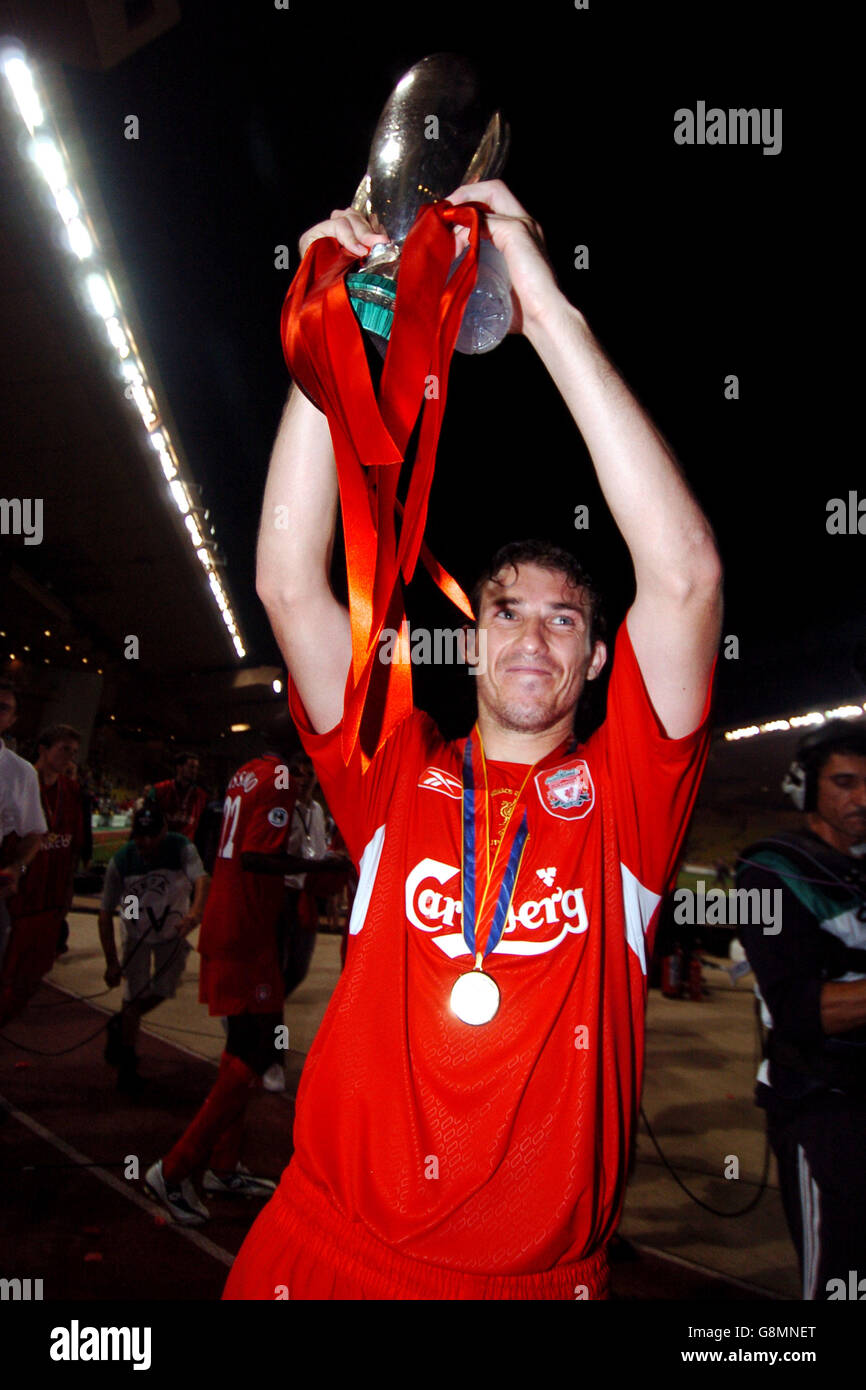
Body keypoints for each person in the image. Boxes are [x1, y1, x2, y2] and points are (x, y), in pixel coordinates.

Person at [223, 180, 722, 1301]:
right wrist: (332, 336)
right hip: (325, 1246)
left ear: (599, 658)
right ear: (473, 638)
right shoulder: (396, 776)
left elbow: (684, 575)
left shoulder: (629, 806)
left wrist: (542, 307)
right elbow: (287, 584)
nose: (534, 638)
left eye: (565, 618)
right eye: (505, 609)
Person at [144, 743, 340, 1224]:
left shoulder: (244, 774)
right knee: (255, 1051)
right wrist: (326, 866)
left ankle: (223, 1166)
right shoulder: (279, 780)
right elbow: (256, 856)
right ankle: (172, 1170)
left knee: (243, 1050)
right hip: (246, 931)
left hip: (236, 923)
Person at [736, 724, 866, 1300]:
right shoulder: (768, 870)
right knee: (838, 1279)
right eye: (845, 783)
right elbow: (795, 1009)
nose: (863, 799)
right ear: (805, 788)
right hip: (822, 1106)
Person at [99, 803, 210, 1094]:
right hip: (136, 928)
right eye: (140, 836)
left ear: (164, 831)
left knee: (164, 987)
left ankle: (124, 1020)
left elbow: (201, 879)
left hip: (172, 929)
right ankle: (127, 1061)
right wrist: (112, 961)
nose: (146, 843)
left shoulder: (182, 848)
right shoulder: (121, 862)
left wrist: (195, 912)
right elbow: (104, 913)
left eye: (152, 836)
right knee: (134, 990)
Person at [0, 721, 83, 1022]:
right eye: (64, 750)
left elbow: (73, 846)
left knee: (32, 977)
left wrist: (68, 891)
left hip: (50, 901)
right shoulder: (19, 782)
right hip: (18, 898)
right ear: (43, 749)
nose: (70, 757)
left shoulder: (72, 791)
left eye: (74, 752)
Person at [0, 681, 48, 997]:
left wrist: (17, 867)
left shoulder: (20, 772)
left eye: (3, 707)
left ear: (12, 720)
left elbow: (34, 833)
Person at [148, 752, 207, 841]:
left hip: (187, 848)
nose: (195, 771)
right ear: (179, 768)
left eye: (196, 768)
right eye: (191, 767)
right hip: (161, 846)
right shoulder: (159, 790)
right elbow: (146, 818)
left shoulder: (201, 796)